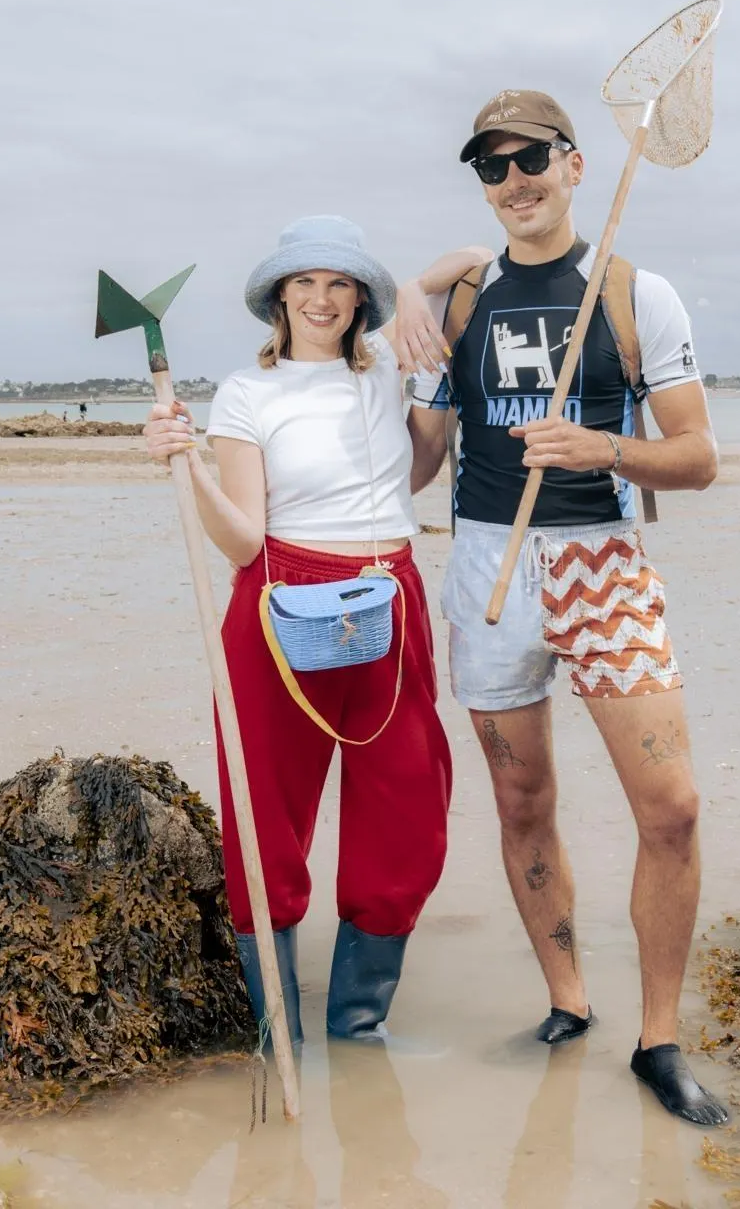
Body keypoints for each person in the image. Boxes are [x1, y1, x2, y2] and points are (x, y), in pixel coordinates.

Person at [397, 92, 728, 1125]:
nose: (513, 181)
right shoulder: (459, 302)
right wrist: (404, 355)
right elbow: (414, 467)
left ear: (575, 163)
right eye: (491, 168)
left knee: (670, 807)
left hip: (603, 559)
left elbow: (699, 456)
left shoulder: (634, 291)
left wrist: (605, 449)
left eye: (530, 158)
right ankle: (567, 997)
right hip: (487, 571)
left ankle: (659, 1038)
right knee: (520, 802)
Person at [144, 215, 483, 1047]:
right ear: (279, 298)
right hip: (278, 597)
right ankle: (278, 1032)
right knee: (265, 813)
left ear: (361, 297)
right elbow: (244, 540)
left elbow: (475, 258)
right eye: (305, 283)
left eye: (339, 283)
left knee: (407, 806)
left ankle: (358, 1027)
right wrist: (187, 469)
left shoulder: (385, 375)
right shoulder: (246, 393)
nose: (322, 299)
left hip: (386, 592)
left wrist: (413, 288)